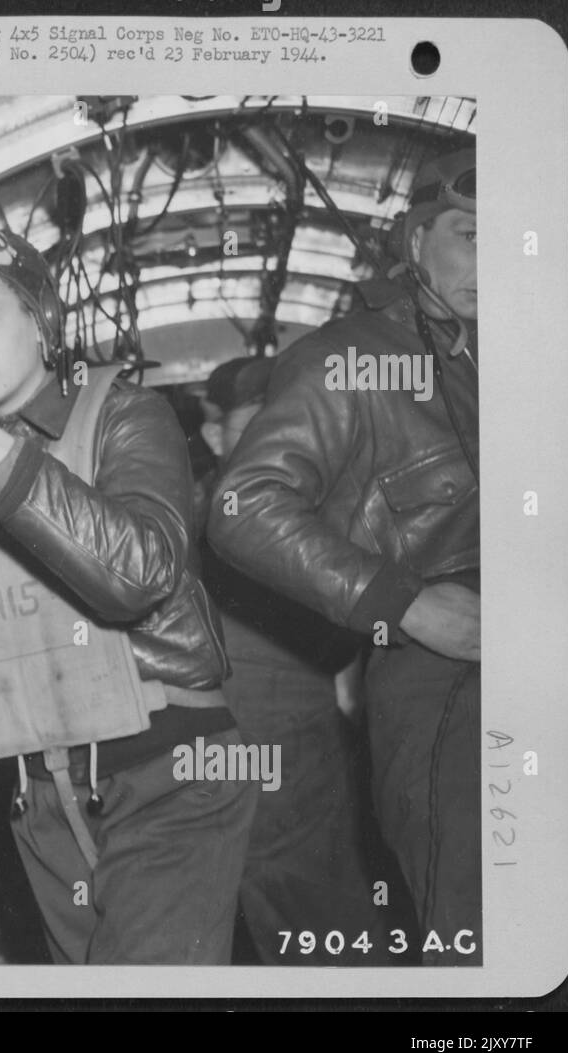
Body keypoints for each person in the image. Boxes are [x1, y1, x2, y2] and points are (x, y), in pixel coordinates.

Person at [0, 225, 256, 964]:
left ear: (40, 322)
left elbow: (140, 574)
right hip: (44, 797)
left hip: (170, 772)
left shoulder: (124, 413)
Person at [208, 148, 480, 964]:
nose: (500, 260)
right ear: (417, 242)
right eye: (471, 235)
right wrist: (406, 603)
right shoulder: (354, 357)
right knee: (482, 932)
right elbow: (245, 503)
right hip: (447, 688)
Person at [199, 356, 392, 965]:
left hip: (292, 749)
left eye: (281, 420)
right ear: (213, 435)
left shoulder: (319, 512)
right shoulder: (190, 512)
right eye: (252, 421)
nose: (270, 435)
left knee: (319, 920)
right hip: (227, 745)